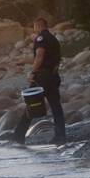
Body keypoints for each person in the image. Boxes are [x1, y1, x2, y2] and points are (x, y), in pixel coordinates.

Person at [12, 16, 67, 145]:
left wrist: (32, 72)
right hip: (53, 77)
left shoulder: (41, 38)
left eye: (34, 27)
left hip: (42, 77)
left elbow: (40, 56)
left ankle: (18, 137)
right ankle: (61, 137)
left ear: (37, 26)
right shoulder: (54, 39)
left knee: (31, 105)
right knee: (56, 107)